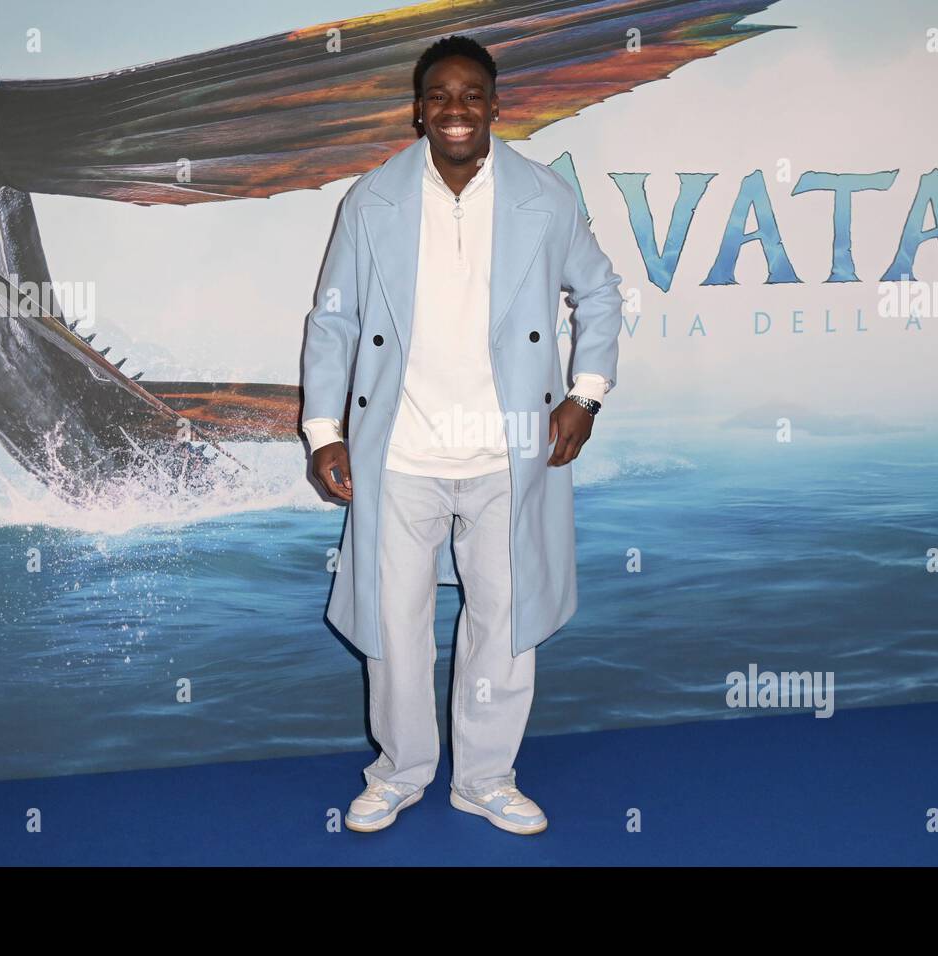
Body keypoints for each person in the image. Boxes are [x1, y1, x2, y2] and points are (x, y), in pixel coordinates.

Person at [301, 35, 622, 835]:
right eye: (439, 95)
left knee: (504, 628)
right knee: (394, 629)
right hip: (398, 453)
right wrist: (321, 429)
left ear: (495, 104)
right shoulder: (369, 200)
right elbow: (333, 320)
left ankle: (486, 777)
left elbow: (602, 293)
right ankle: (400, 772)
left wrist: (587, 395)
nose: (455, 109)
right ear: (418, 107)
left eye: (471, 94)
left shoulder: (543, 196)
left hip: (508, 454)